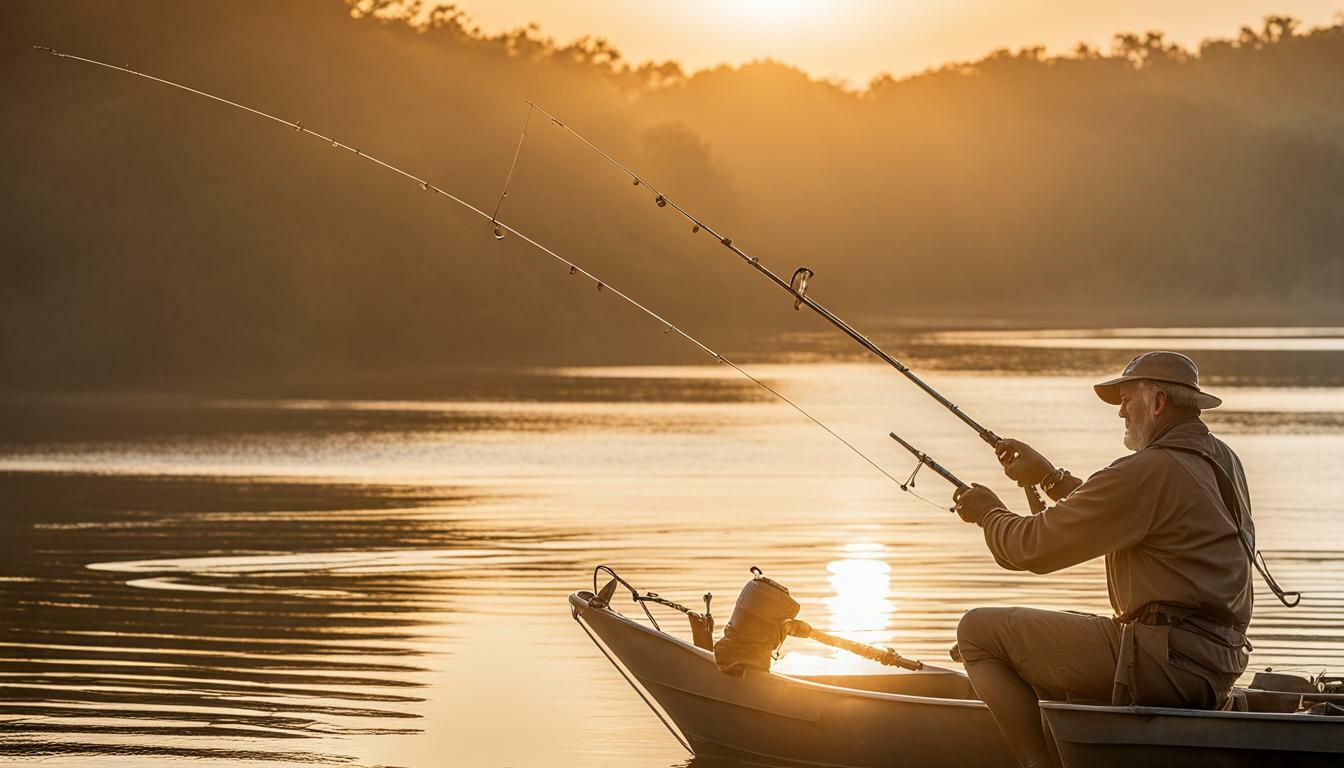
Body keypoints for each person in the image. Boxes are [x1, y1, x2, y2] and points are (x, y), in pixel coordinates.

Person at [949, 351, 1254, 768]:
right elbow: (1125, 513)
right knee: (1050, 630)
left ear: (1158, 402)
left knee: (977, 632)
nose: (1121, 413)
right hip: (1214, 664)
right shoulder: (1221, 461)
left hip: (1167, 666)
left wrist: (987, 513)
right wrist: (1047, 478)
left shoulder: (1149, 470)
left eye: (1127, 400)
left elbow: (1028, 549)